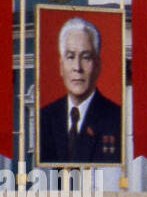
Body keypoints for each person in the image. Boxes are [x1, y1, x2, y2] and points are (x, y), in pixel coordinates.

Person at [39, 17, 122, 164]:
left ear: (97, 65)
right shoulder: (44, 117)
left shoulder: (117, 118)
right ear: (60, 66)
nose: (77, 67)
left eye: (86, 57)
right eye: (70, 57)